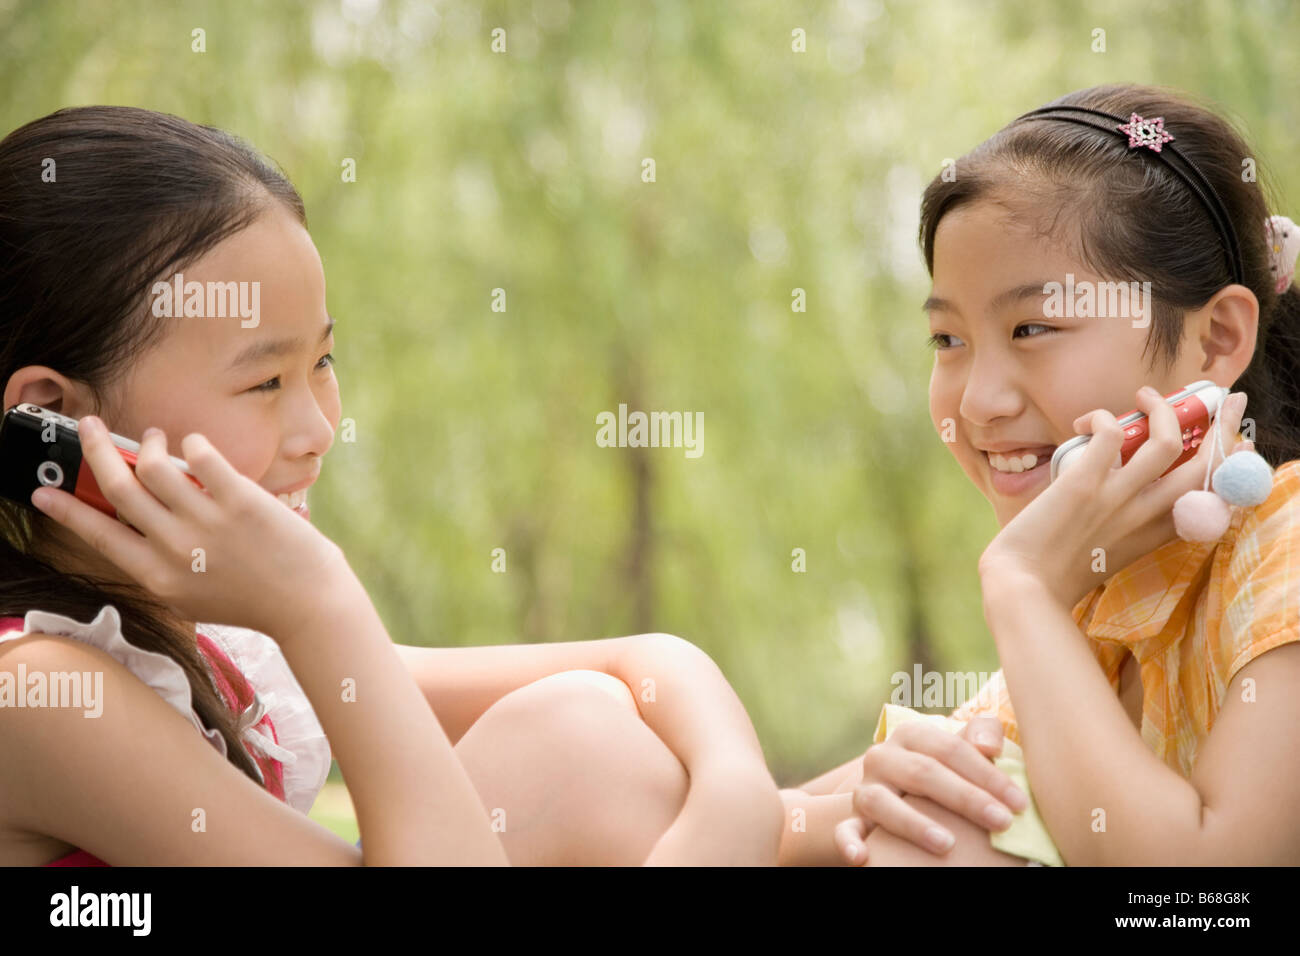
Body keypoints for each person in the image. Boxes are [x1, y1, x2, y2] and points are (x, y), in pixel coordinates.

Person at [0, 105, 783, 866]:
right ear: (53, 420)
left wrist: (741, 793)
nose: (318, 431)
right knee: (583, 755)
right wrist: (318, 604)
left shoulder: (214, 643)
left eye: (323, 364)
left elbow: (644, 666)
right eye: (266, 381)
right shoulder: (40, 693)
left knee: (581, 736)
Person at [781, 82, 1300, 866]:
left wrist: (1022, 588)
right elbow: (776, 819)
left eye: (1033, 327)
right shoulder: (1094, 612)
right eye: (948, 340)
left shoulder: (1282, 556)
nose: (980, 403)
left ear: (1217, 340)